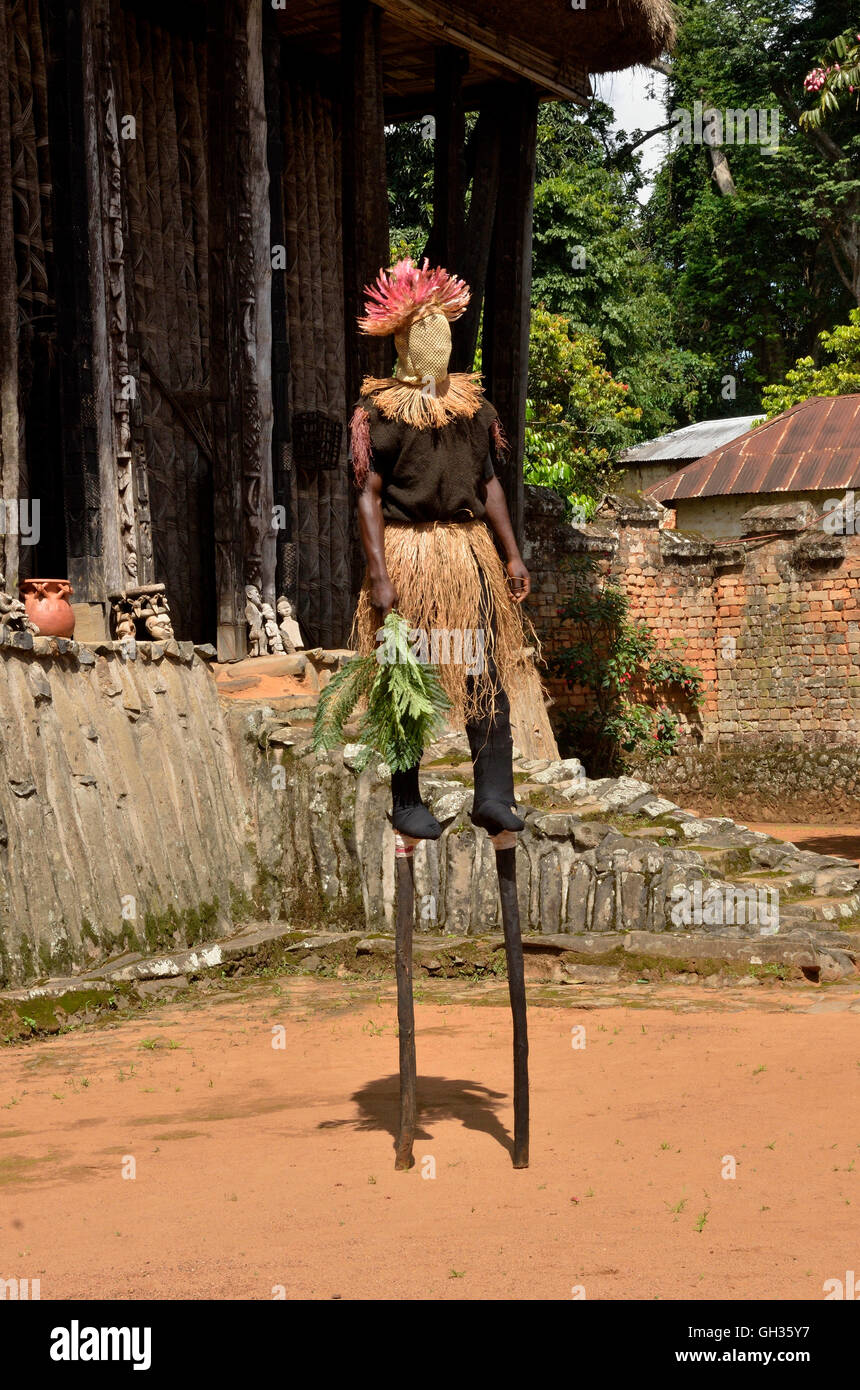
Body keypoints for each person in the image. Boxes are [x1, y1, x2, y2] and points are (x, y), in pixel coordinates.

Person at [350, 256, 541, 841]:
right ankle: (406, 800)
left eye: (442, 331)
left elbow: (490, 486)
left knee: (484, 672)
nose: (436, 342)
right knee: (405, 677)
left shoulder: (472, 407)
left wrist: (511, 554)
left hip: (468, 555)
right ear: (403, 343)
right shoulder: (378, 411)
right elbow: (368, 494)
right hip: (408, 558)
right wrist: (378, 573)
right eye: (422, 333)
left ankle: (494, 797)